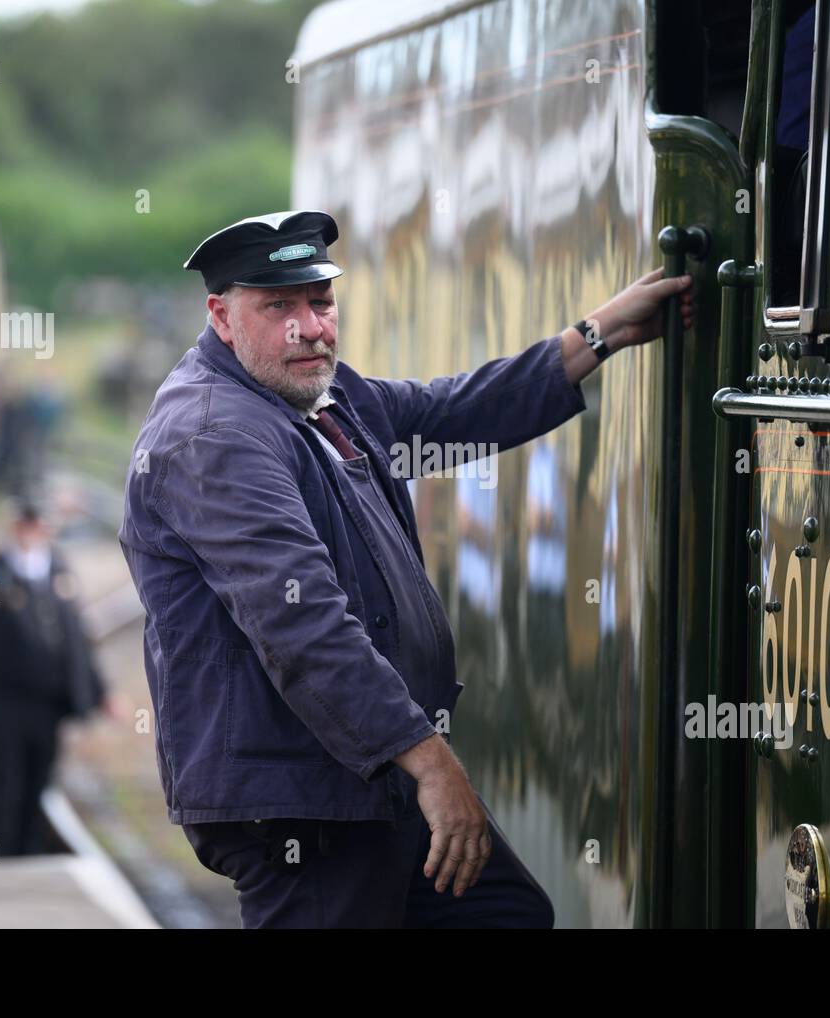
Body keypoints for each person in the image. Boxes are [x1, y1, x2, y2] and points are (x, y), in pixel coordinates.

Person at [117, 209, 694, 927]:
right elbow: (303, 626)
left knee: (506, 915)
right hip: (301, 800)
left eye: (320, 302)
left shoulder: (317, 394)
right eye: (279, 308)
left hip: (362, 778)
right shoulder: (217, 435)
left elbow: (449, 410)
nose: (311, 328)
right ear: (222, 317)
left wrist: (601, 333)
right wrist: (428, 760)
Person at [0, 498, 111, 859]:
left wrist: (99, 692)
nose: (34, 531)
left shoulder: (57, 571)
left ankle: (26, 858)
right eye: (27, 523)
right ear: (15, 525)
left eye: (41, 525)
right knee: (0, 790)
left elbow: (77, 640)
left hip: (45, 706)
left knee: (38, 788)